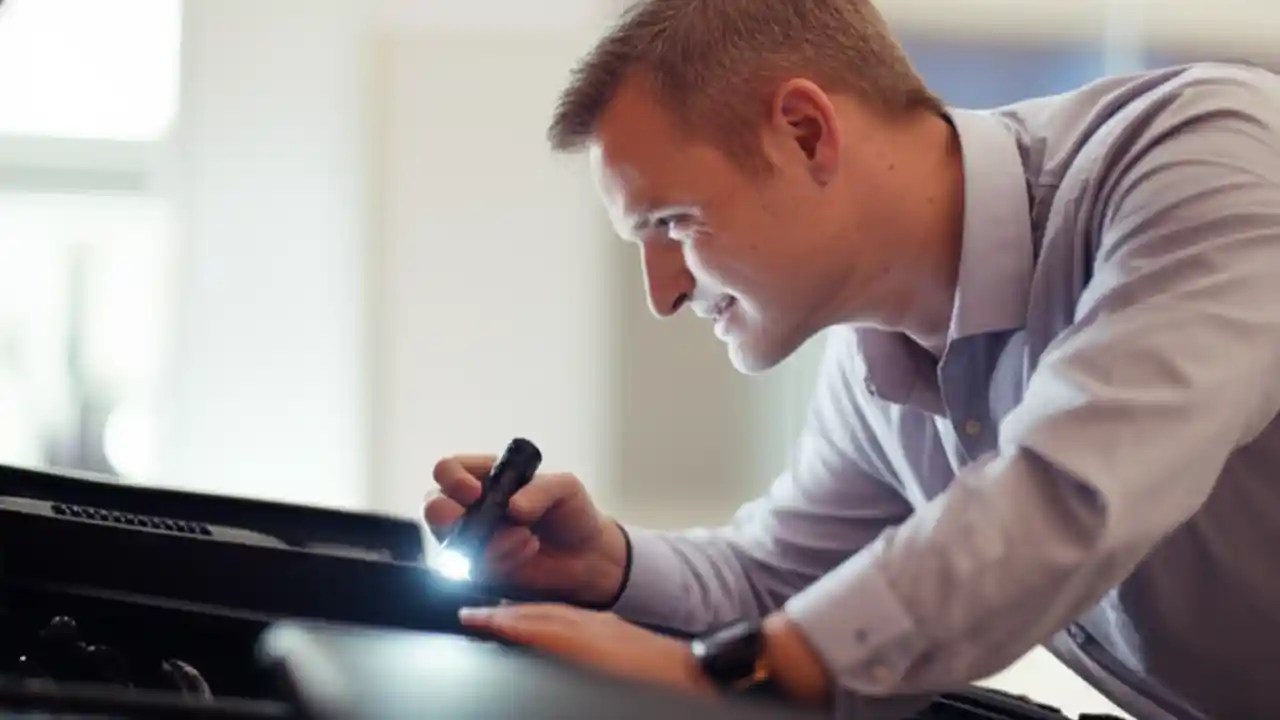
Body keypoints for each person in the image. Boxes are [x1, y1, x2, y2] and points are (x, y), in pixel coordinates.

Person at [424, 1, 1280, 717]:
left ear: (804, 132)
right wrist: (609, 563)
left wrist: (725, 679)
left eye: (674, 223)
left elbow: (1078, 486)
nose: (664, 293)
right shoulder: (877, 367)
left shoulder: (1211, 158)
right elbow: (771, 583)